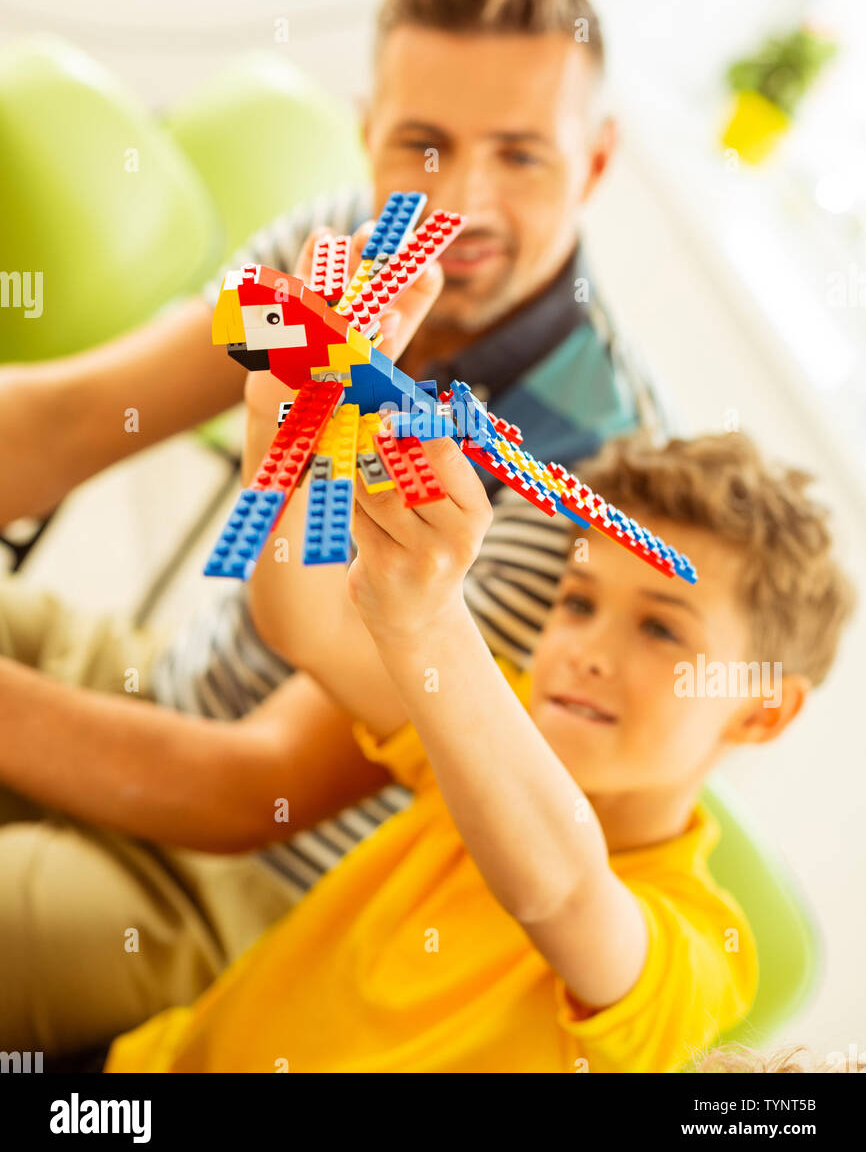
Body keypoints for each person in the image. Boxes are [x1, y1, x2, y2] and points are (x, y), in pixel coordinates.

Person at [0, 0, 668, 1056]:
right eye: (424, 144)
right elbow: (72, 418)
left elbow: (253, 786)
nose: (460, 200)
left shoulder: (597, 469)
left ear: (594, 163)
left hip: (248, 884)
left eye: (520, 156)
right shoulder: (330, 254)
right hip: (144, 684)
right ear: (368, 130)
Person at [103, 429, 854, 1073]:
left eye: (660, 629)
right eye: (579, 602)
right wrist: (290, 424)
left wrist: (427, 618)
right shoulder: (497, 720)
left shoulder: (705, 956)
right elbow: (310, 628)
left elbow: (560, 893)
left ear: (762, 707)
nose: (586, 652)